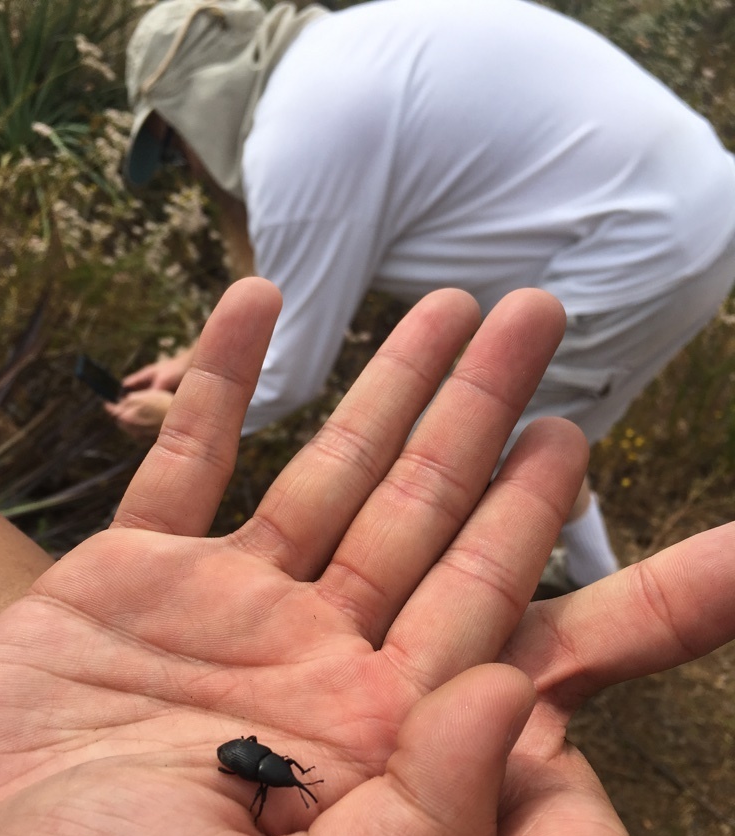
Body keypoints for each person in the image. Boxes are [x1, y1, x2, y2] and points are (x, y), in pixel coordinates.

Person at [0, 279, 734, 836]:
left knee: (285, 777)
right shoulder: (252, 770)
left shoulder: (257, 768)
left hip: (240, 756)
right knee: (283, 777)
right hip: (240, 757)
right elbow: (257, 767)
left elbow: (263, 768)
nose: (285, 778)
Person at [107, 0, 735, 594]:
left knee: (447, 452)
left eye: (169, 143)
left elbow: (291, 377)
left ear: (198, 104)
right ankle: (594, 584)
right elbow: (289, 291)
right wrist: (196, 360)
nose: (184, 166)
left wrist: (184, 423)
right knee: (529, 431)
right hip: (686, 201)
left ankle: (546, 635)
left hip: (649, 245)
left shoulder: (295, 139)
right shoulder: (336, 54)